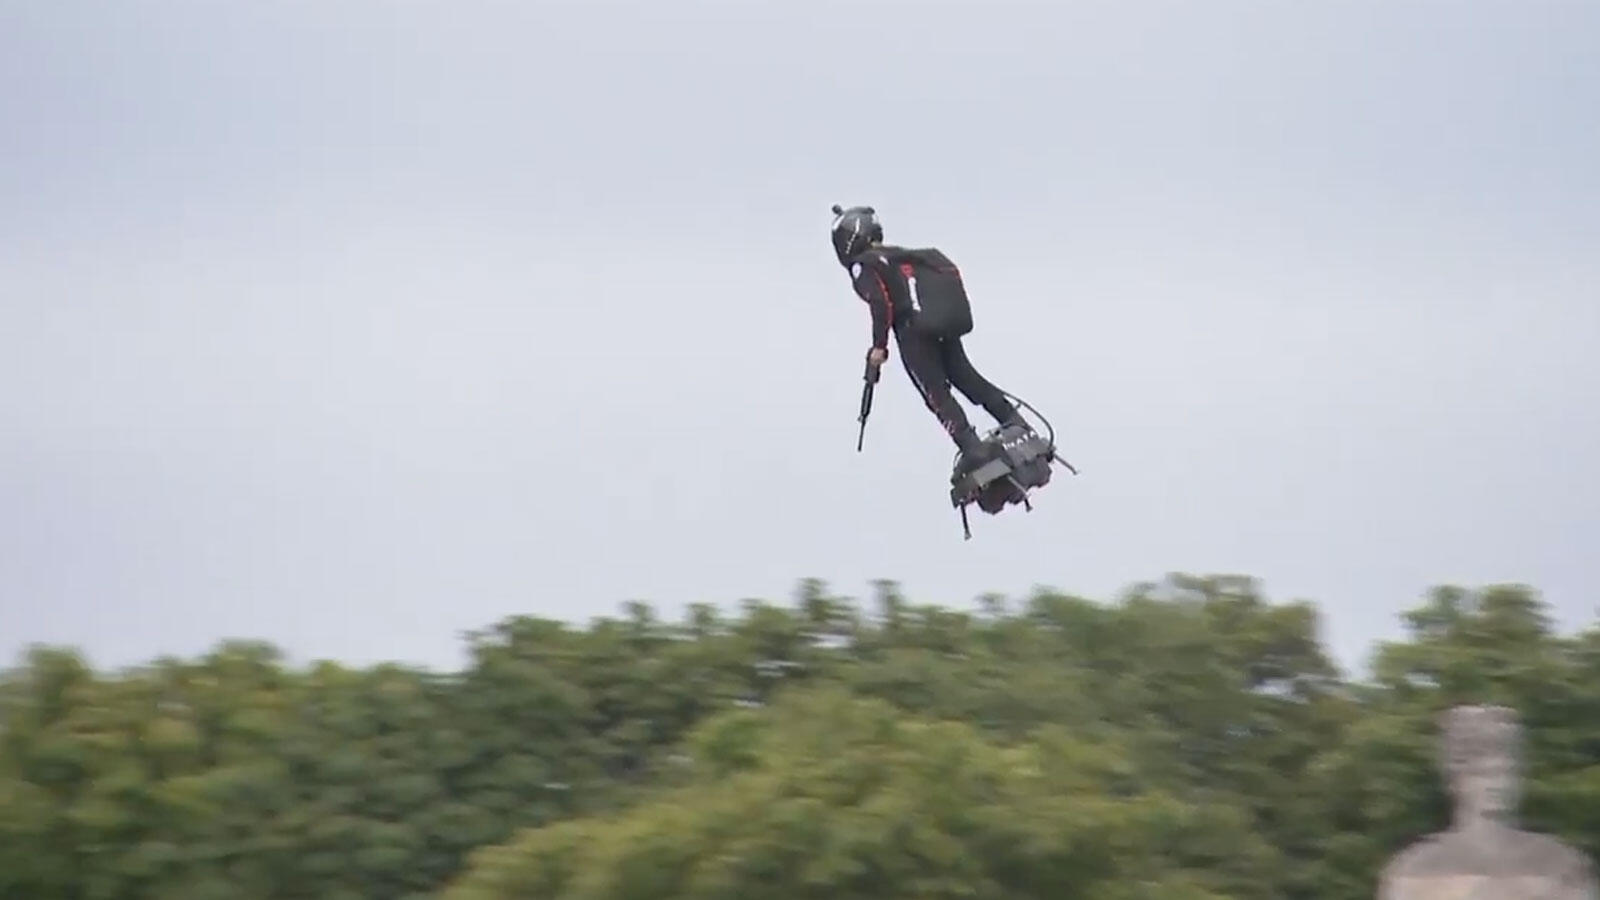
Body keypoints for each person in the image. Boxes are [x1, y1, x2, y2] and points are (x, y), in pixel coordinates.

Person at [830, 203, 1032, 473]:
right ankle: (1014, 421)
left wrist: (879, 347)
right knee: (966, 377)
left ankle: (972, 448)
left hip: (912, 331)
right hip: (936, 322)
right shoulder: (897, 255)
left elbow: (880, 302)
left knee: (935, 393)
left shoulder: (862, 265)